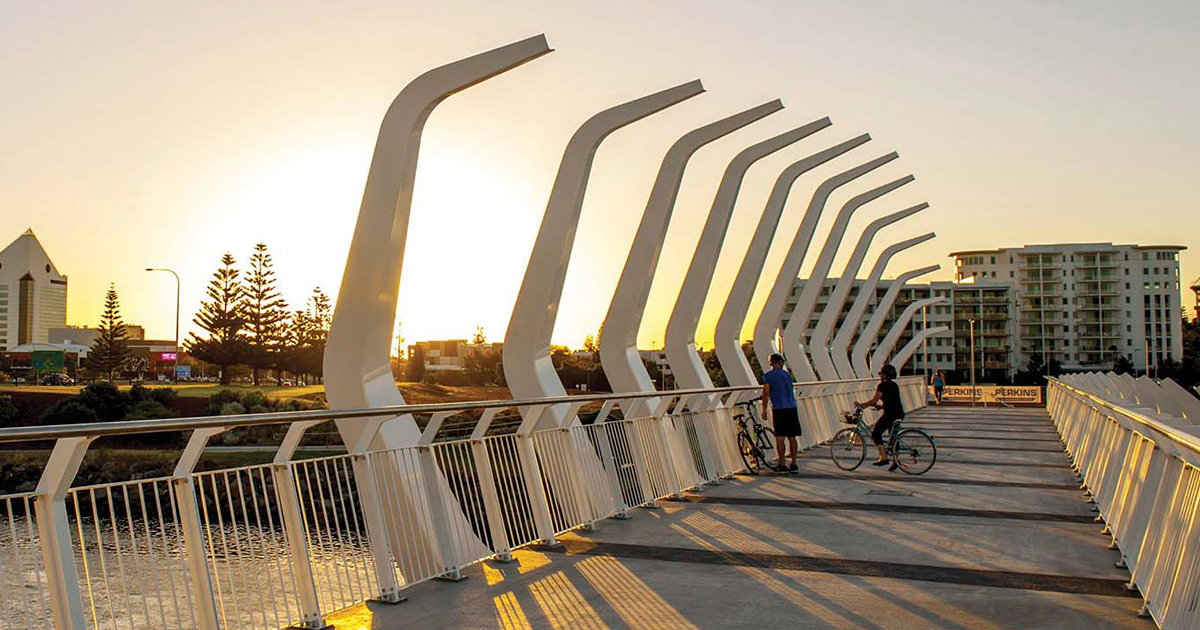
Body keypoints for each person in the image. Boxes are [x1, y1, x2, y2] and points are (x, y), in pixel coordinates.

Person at [855, 364, 906, 471]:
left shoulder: (882, 386)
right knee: (893, 437)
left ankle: (884, 458)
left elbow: (873, 401)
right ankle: (896, 461)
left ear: (886, 375)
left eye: (881, 373)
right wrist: (882, 406)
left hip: (890, 415)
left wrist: (861, 405)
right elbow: (893, 401)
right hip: (899, 413)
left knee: (876, 433)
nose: (880, 375)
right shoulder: (894, 385)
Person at [762, 353, 800, 474]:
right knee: (792, 437)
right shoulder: (787, 375)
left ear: (771, 363)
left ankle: (782, 464)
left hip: (779, 409)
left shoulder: (768, 376)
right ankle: (793, 464)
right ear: (781, 362)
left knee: (780, 438)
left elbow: (766, 393)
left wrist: (763, 409)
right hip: (791, 407)